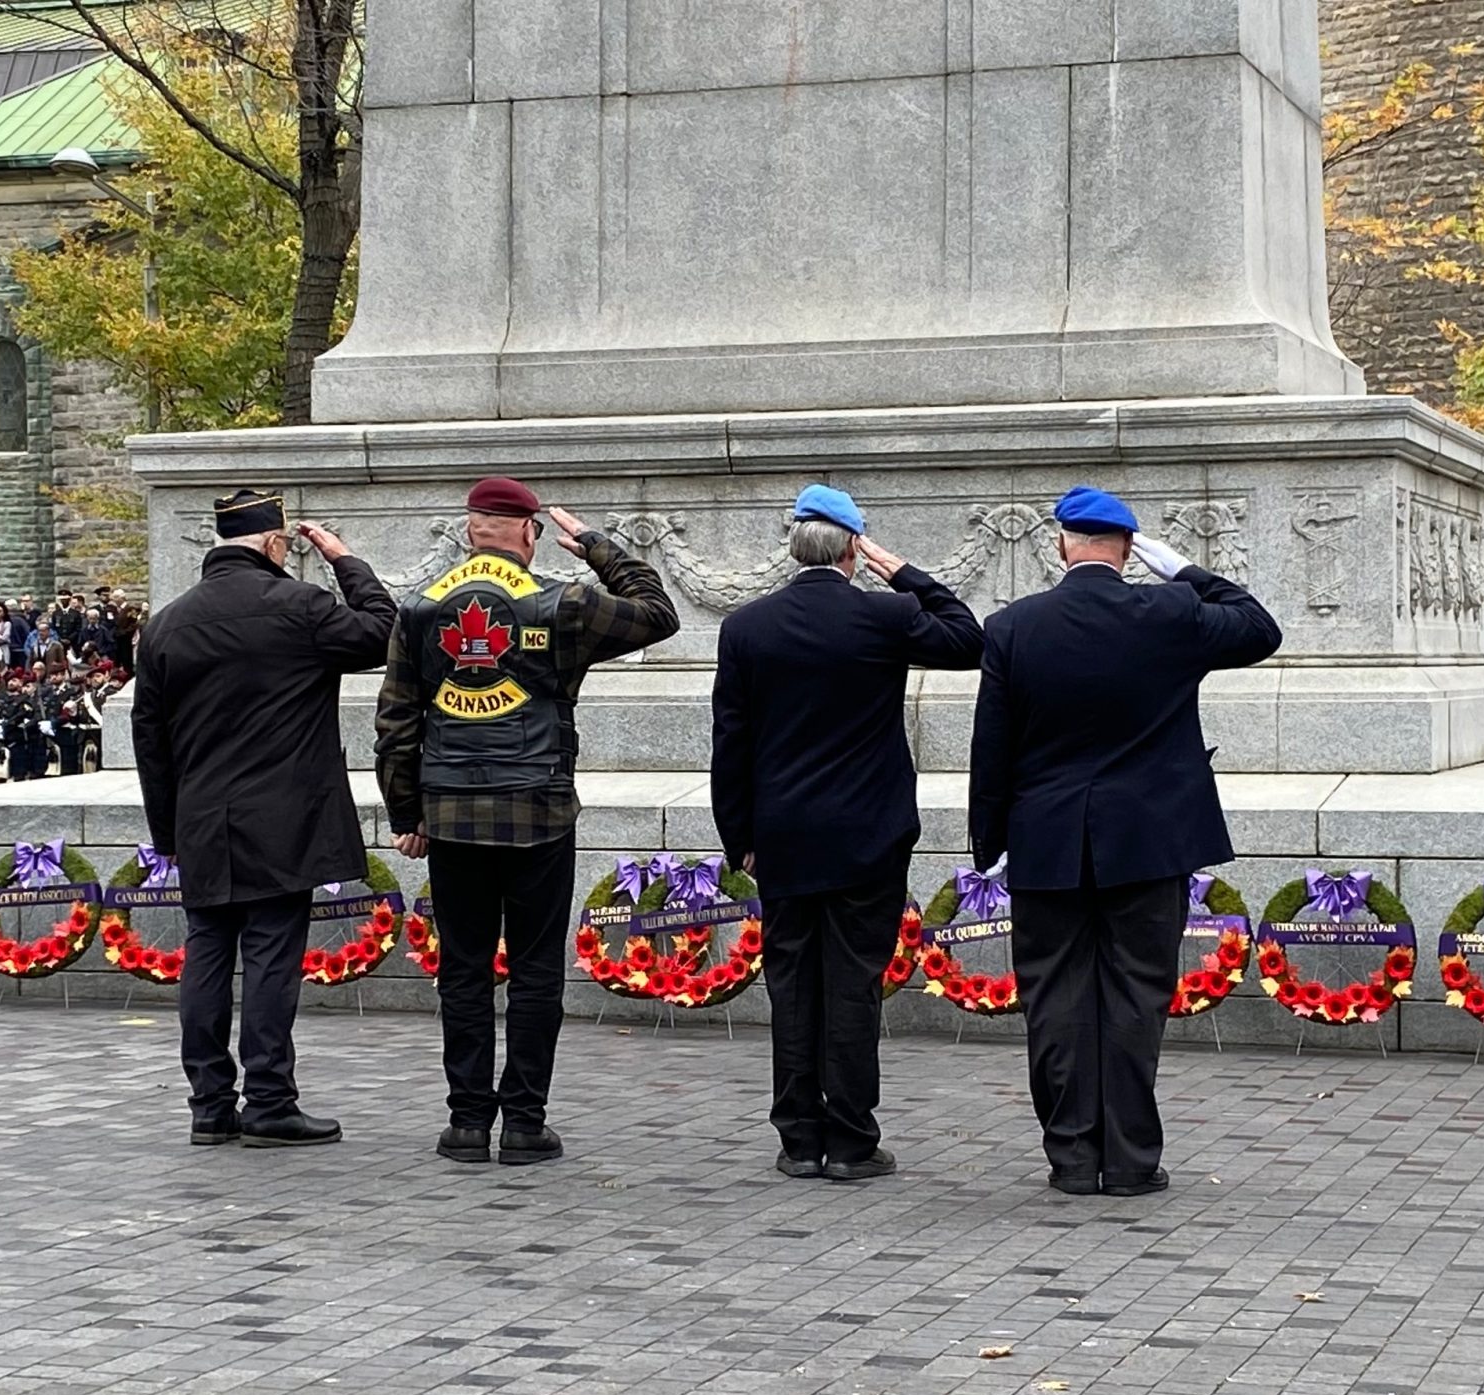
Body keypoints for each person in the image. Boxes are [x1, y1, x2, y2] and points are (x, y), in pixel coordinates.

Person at [969, 487, 1282, 1196]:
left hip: (1048, 841)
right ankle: (1133, 1158)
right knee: (1137, 996)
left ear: (1062, 544)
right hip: (1148, 840)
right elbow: (1259, 628)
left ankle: (1072, 1156)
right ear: (1128, 548)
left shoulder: (1015, 625)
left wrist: (990, 841)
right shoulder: (1169, 612)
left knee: (1054, 999)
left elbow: (992, 747)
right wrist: (1186, 573)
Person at [377, 476, 681, 1166]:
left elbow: (396, 720)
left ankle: (464, 1123)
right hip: (538, 809)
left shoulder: (422, 607)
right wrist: (600, 549)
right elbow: (658, 615)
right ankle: (523, 1122)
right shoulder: (562, 601)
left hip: (451, 813)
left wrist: (408, 811)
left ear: (468, 531)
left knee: (463, 969)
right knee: (537, 970)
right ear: (528, 532)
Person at [710, 485, 985, 1182]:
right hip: (867, 833)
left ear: (792, 545)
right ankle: (852, 1140)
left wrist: (736, 833)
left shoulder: (747, 626)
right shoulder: (884, 615)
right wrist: (908, 576)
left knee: (792, 983)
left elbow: (730, 742)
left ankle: (798, 1137)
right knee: (854, 985)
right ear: (854, 550)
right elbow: (967, 638)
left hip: (783, 835)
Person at [133, 490, 398, 1149]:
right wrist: (344, 560)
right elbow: (385, 631)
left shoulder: (165, 624)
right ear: (276, 545)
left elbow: (149, 741)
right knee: (271, 959)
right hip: (282, 821)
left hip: (202, 821)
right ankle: (271, 1101)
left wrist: (170, 832)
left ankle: (209, 1105)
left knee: (207, 955)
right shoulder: (299, 608)